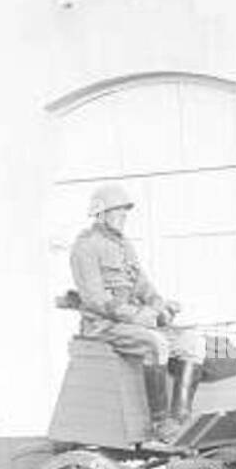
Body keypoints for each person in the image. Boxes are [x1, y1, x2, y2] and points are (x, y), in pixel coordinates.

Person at [69, 184, 204, 443]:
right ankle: (161, 424)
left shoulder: (124, 246)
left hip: (131, 325)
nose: (123, 217)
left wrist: (160, 305)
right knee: (155, 343)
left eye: (124, 212)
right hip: (102, 327)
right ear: (99, 214)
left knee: (191, 343)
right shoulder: (84, 247)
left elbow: (142, 284)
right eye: (116, 212)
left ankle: (181, 419)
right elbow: (96, 299)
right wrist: (136, 316)